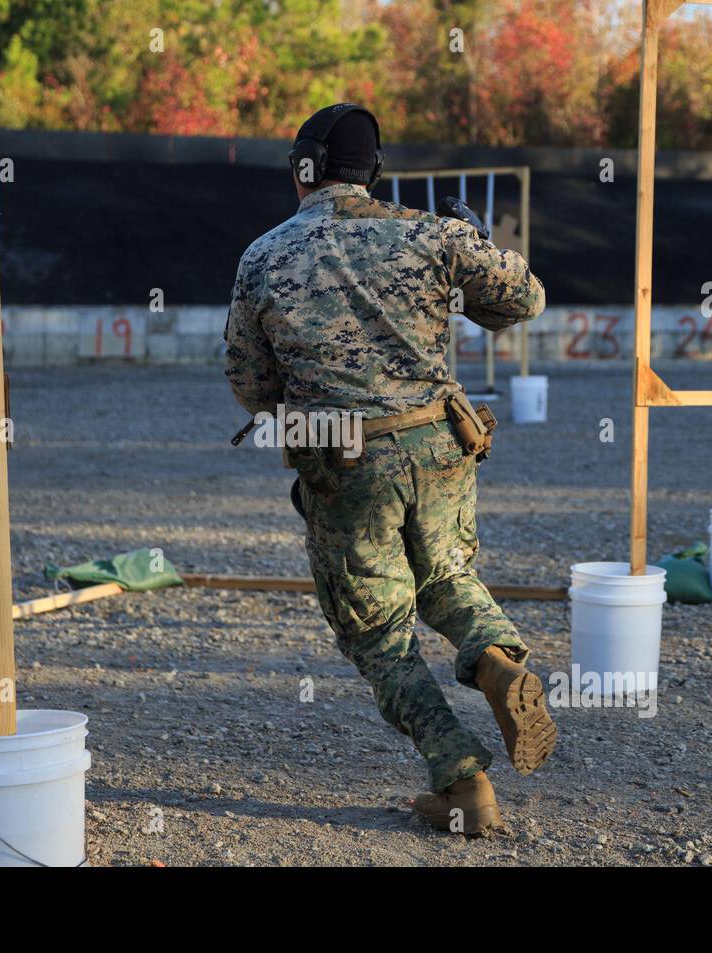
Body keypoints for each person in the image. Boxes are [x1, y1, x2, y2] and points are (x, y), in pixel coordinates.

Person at [224, 103, 553, 835]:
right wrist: (471, 243)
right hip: (440, 444)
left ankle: (462, 780)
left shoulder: (265, 255)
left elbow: (249, 384)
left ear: (303, 168)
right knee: (444, 577)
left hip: (344, 455)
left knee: (376, 631)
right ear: (373, 172)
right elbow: (522, 300)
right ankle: (495, 658)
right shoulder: (431, 235)